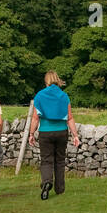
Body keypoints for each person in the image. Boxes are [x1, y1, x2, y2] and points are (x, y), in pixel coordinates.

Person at [28, 71, 80, 200]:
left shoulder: (40, 96)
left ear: (46, 81)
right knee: (60, 160)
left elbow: (35, 118)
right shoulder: (64, 96)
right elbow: (70, 117)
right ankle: (59, 189)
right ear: (57, 80)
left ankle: (46, 182)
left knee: (46, 160)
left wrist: (31, 134)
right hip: (61, 131)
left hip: (45, 132)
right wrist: (75, 135)